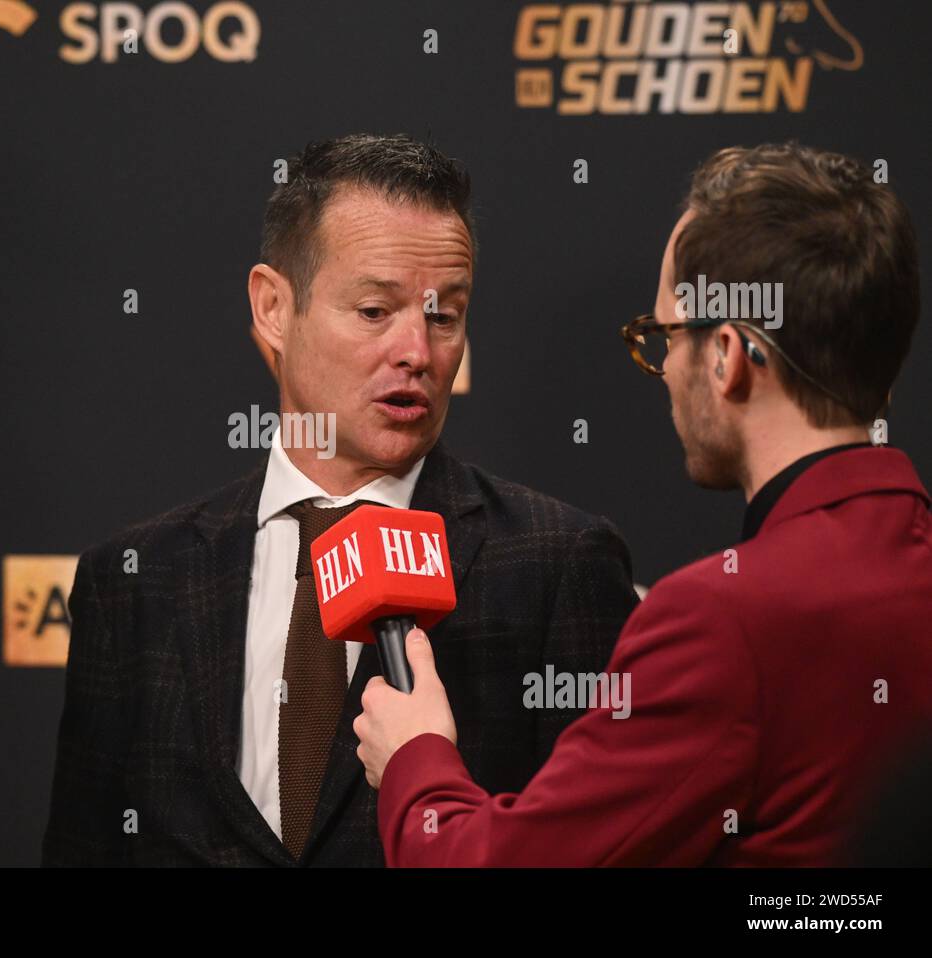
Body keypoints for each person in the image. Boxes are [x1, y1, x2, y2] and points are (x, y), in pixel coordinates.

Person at [43, 133, 639, 866]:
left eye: (443, 315)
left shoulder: (557, 562)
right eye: (373, 311)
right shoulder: (134, 578)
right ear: (272, 308)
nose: (417, 352)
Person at [356, 142, 932, 866]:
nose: (663, 372)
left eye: (664, 338)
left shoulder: (722, 621)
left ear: (725, 357)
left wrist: (415, 758)